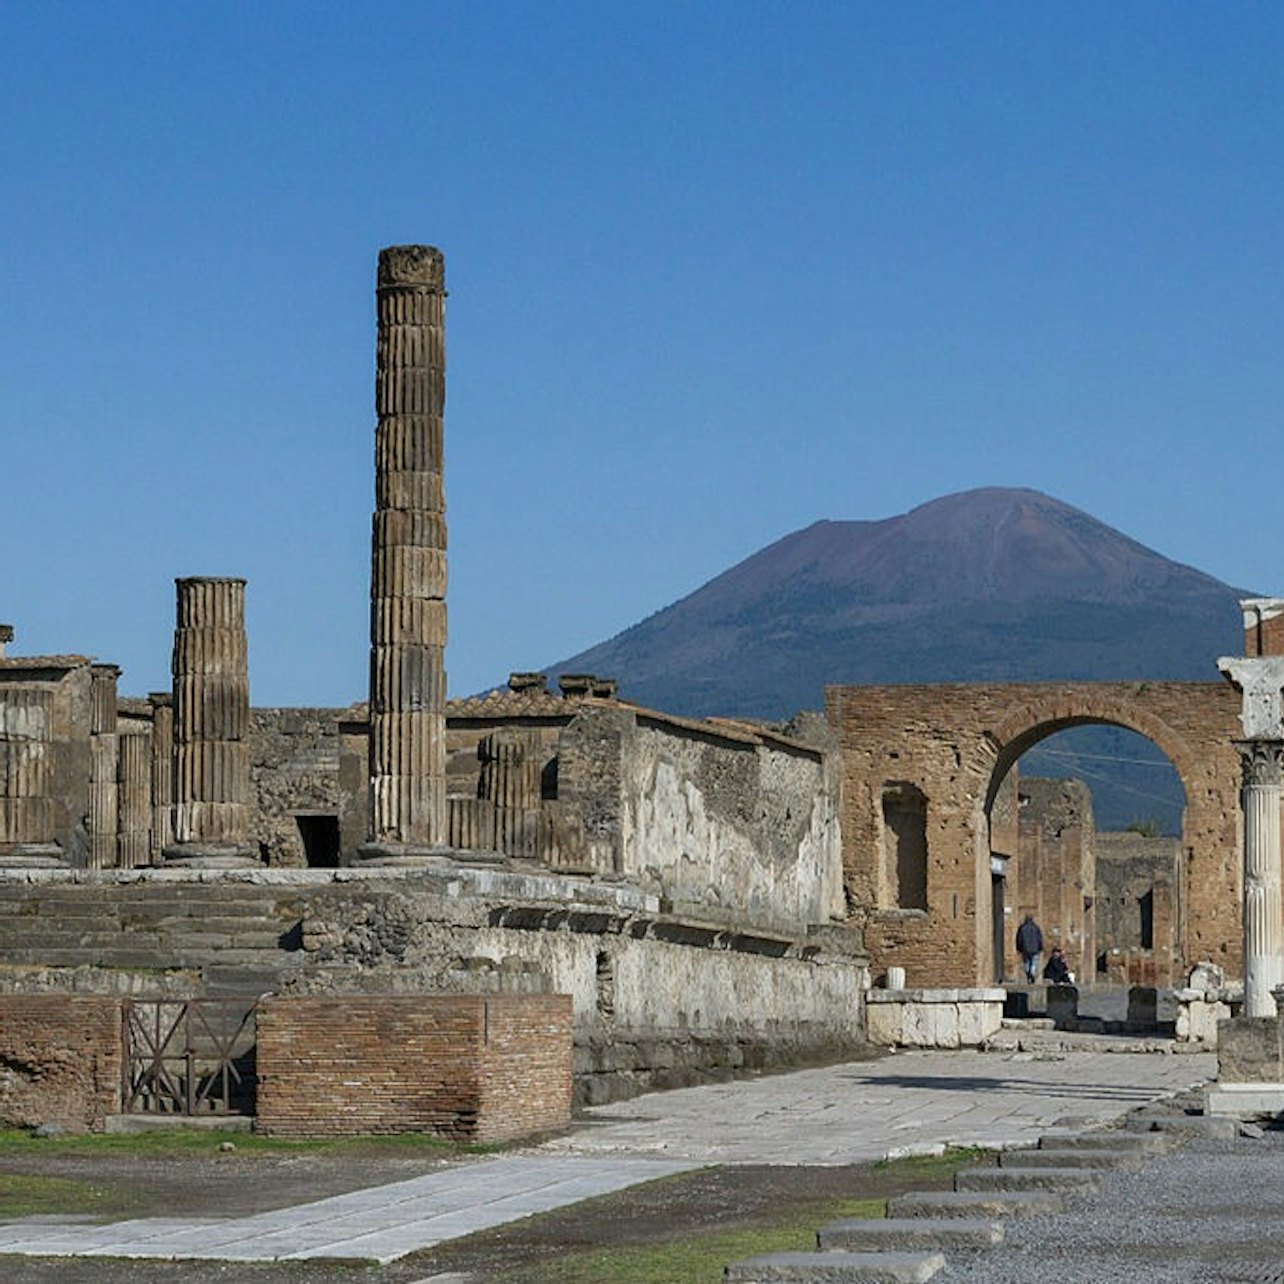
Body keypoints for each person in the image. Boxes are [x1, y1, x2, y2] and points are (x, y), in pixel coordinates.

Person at [1015, 913, 1043, 983]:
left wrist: (1019, 948)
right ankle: (1032, 973)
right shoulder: (1036, 928)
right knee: (1033, 962)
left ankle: (1028, 973)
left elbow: (1019, 939)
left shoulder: (1022, 928)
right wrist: (1040, 947)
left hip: (1025, 949)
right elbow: (1039, 938)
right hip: (1035, 948)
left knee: (1026, 962)